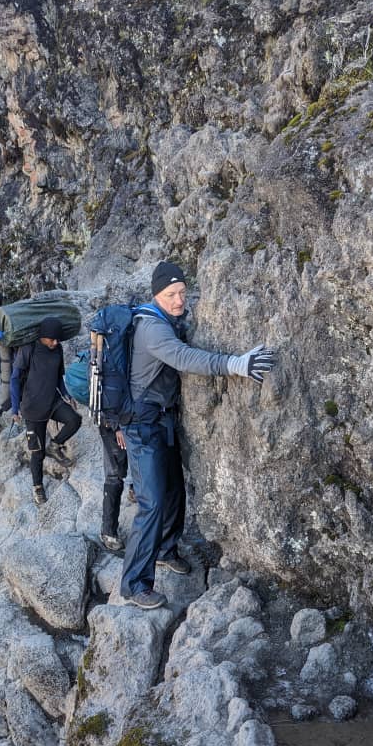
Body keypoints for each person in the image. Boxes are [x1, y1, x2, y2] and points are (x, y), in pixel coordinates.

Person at [119, 261, 274, 610]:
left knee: (174, 492)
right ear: (156, 295)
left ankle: (164, 549)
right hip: (142, 426)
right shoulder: (151, 328)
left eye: (182, 293)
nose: (179, 300)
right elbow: (183, 357)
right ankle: (134, 584)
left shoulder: (169, 320)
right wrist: (234, 364)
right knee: (152, 502)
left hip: (162, 422)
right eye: (171, 294)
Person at [10, 317, 82, 505]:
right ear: (42, 337)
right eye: (52, 339)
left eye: (57, 339)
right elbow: (15, 378)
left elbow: (59, 376)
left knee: (74, 420)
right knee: (37, 453)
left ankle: (55, 445)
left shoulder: (57, 349)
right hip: (32, 408)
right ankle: (38, 487)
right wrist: (15, 408)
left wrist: (67, 395)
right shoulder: (29, 350)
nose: (55, 342)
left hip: (53, 401)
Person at [98, 425, 136, 552]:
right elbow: (103, 406)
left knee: (139, 459)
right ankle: (108, 532)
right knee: (114, 475)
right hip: (113, 425)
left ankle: (135, 489)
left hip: (131, 421)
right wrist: (116, 427)